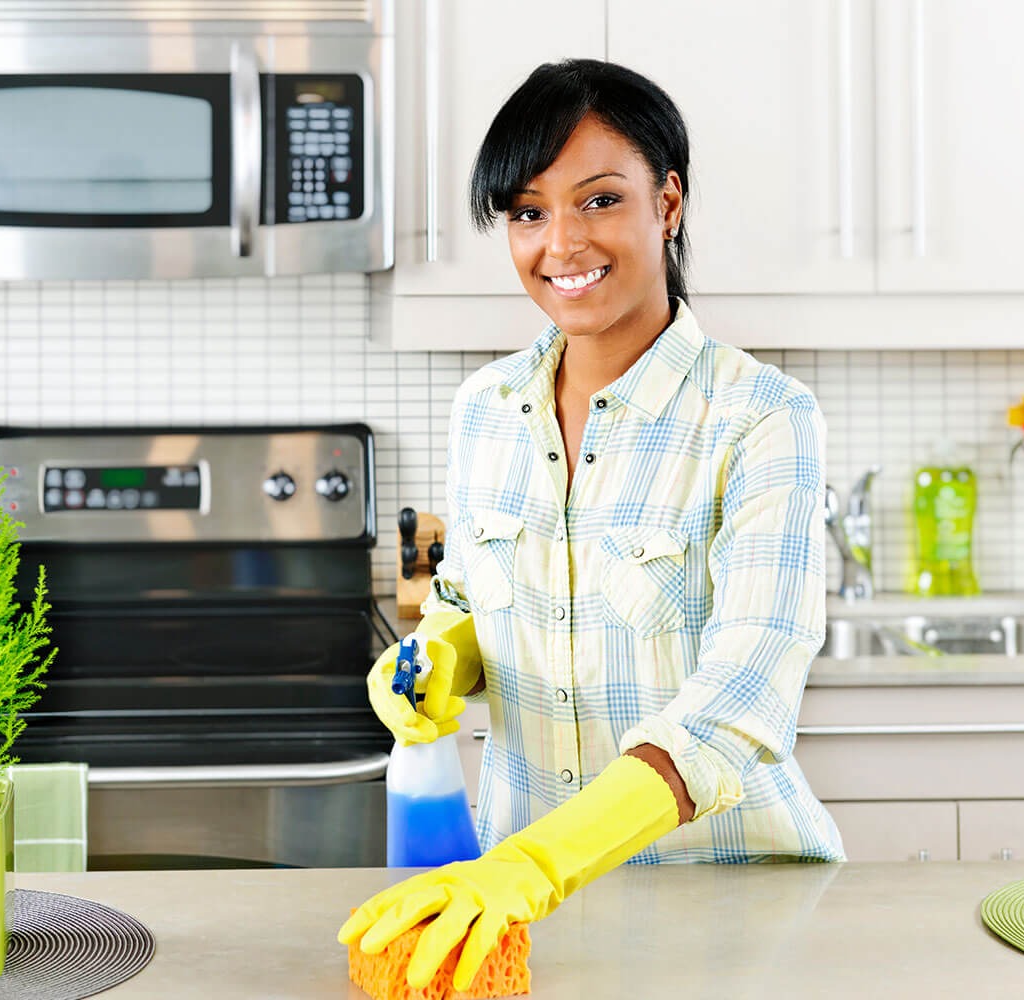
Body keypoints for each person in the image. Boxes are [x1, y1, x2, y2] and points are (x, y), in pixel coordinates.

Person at [338, 58, 844, 992]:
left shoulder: (761, 416)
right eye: (527, 212)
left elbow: (741, 695)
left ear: (669, 203)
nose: (561, 242)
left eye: (599, 199)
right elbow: (464, 599)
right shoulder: (485, 407)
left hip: (729, 900)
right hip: (517, 913)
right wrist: (443, 660)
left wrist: (541, 861)